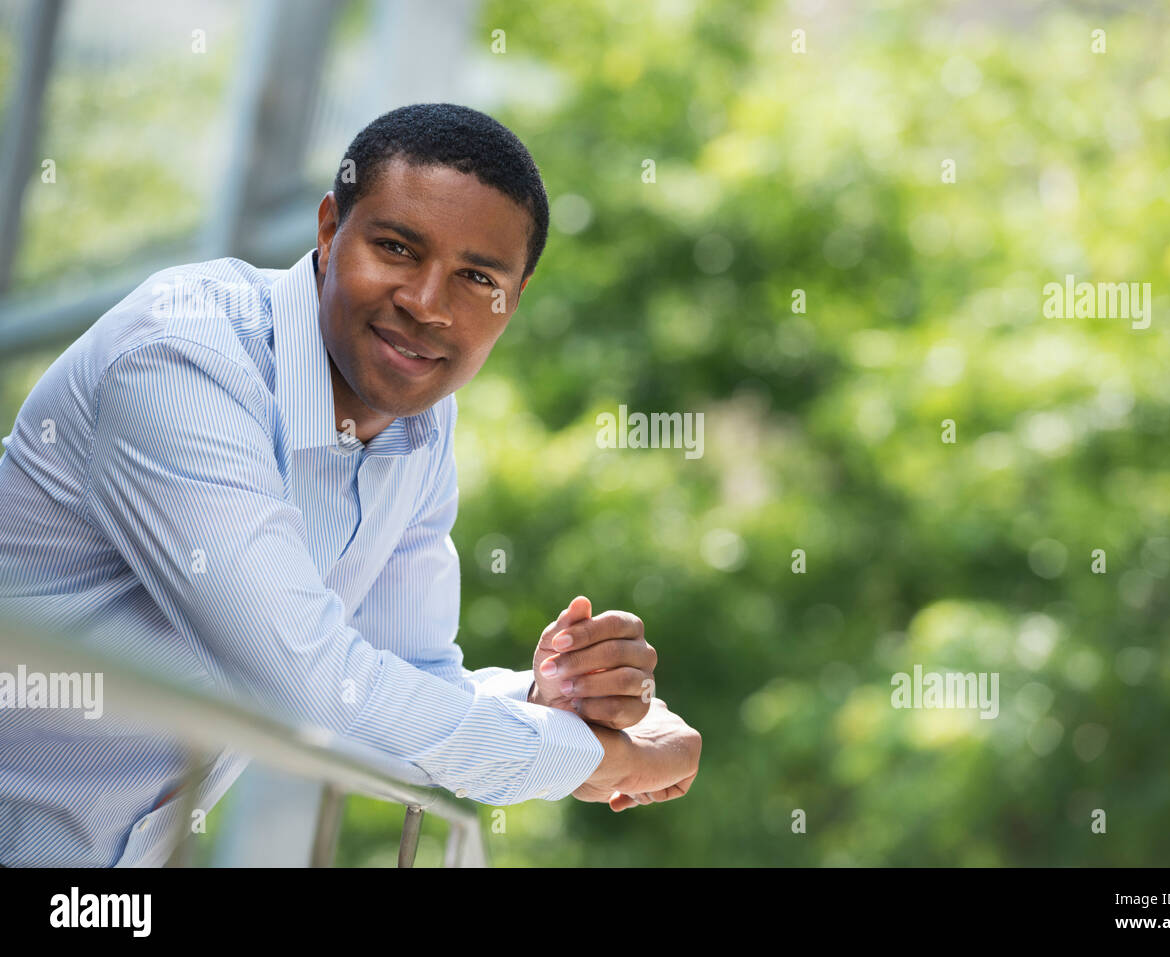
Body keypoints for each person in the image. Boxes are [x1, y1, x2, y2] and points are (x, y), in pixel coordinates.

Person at [0, 103, 701, 867]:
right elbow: (311, 689)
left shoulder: (421, 425)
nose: (427, 304)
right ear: (331, 230)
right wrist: (602, 760)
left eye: (476, 277)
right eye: (398, 247)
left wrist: (551, 705)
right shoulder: (179, 360)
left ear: (514, 299)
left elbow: (404, 679)